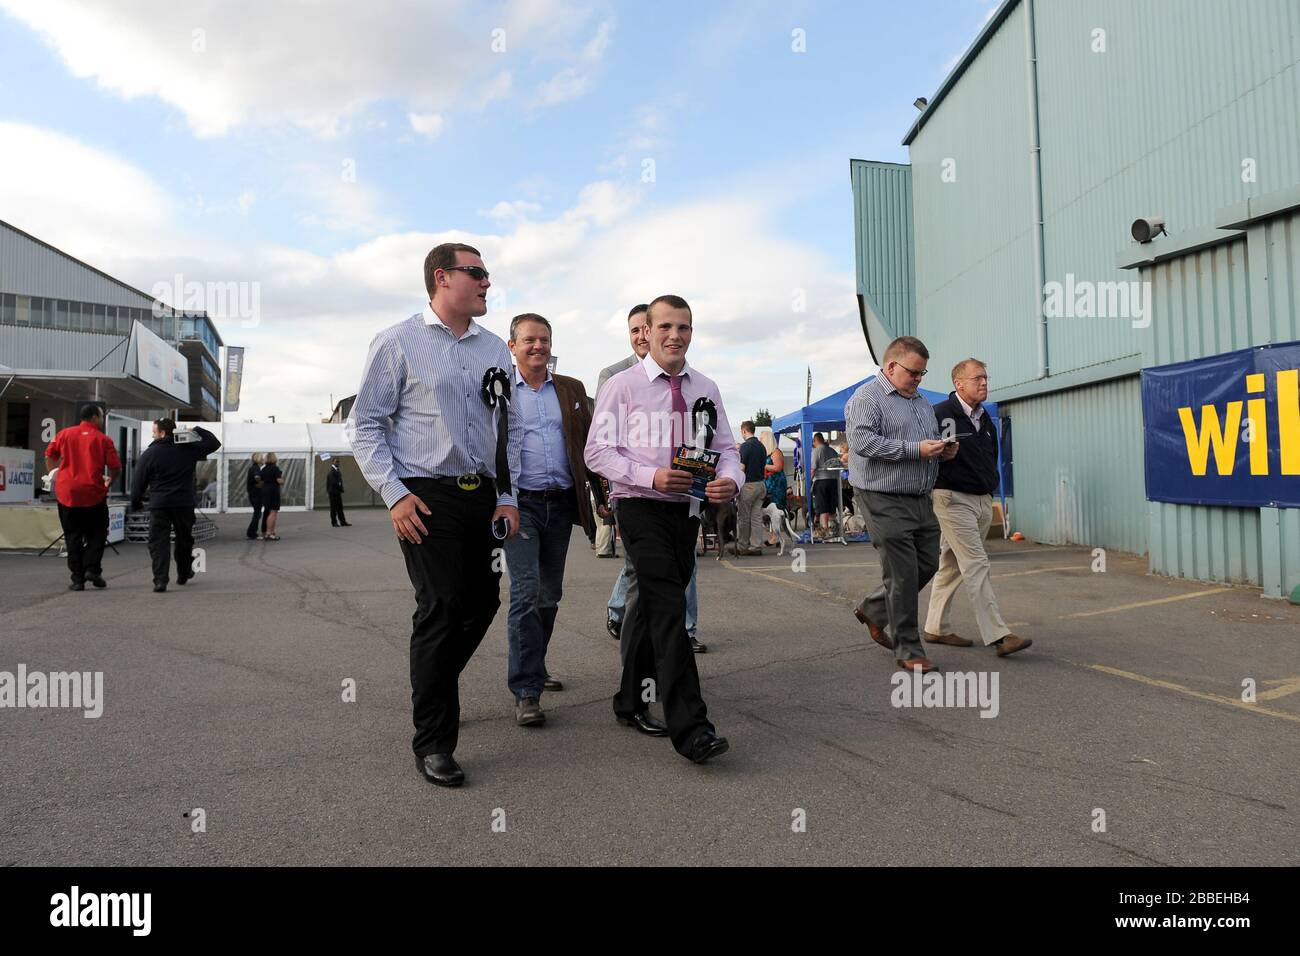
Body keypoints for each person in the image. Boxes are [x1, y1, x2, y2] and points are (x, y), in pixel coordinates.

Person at [347, 241, 520, 789]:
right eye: (478, 273)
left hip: (480, 495)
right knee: (442, 606)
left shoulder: (495, 348)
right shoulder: (397, 341)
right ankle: (435, 741)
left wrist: (507, 495)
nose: (488, 282)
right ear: (442, 278)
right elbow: (365, 423)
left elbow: (504, 429)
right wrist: (394, 494)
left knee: (484, 602)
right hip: (425, 495)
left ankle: (434, 682)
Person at [585, 294, 741, 764]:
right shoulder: (623, 386)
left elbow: (727, 447)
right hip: (639, 506)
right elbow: (597, 452)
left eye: (685, 327)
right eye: (666, 327)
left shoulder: (706, 388)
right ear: (646, 333)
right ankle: (692, 729)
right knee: (670, 612)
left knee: (652, 607)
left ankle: (629, 700)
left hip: (685, 512)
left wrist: (730, 480)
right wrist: (647, 475)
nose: (676, 335)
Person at [502, 313, 604, 727]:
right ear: (512, 346)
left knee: (549, 595)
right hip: (518, 504)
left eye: (544, 340)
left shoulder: (571, 389)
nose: (538, 346)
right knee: (525, 594)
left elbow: (590, 444)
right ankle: (527, 690)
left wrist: (602, 494)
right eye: (529, 340)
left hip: (560, 504)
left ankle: (536, 665)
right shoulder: (500, 390)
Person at [844, 336, 956, 673]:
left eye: (922, 373)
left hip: (920, 497)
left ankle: (873, 609)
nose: (919, 379)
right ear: (891, 366)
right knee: (904, 573)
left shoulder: (920, 401)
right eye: (913, 373)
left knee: (927, 564)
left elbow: (923, 444)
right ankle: (908, 649)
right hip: (881, 497)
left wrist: (943, 451)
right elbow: (863, 443)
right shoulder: (866, 398)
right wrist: (916, 450)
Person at [598, 304, 704, 653]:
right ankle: (663, 655)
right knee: (644, 579)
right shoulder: (616, 380)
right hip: (638, 500)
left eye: (646, 328)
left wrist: (720, 478)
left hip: (685, 502)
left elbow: (709, 441)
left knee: (671, 576)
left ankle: (653, 666)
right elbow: (602, 447)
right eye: (636, 331)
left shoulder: (696, 383)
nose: (644, 336)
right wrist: (646, 478)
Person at [924, 358, 1032, 657]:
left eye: (986, 378)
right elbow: (925, 452)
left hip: (982, 499)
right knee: (976, 563)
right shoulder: (939, 414)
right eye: (977, 379)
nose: (984, 383)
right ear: (959, 384)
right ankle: (999, 635)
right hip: (951, 497)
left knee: (951, 564)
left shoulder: (985, 418)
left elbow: (990, 456)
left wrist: (991, 492)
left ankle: (935, 627)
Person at [130, 418, 221, 593]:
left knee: (158, 543)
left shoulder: (150, 453)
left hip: (159, 504)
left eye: (154, 431)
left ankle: (160, 580)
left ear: (162, 433)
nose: (152, 434)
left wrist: (136, 502)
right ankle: (184, 572)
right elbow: (214, 443)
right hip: (184, 503)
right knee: (184, 540)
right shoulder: (188, 449)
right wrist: (197, 429)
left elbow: (138, 481)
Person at [43, 403, 121, 591]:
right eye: (101, 417)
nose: (102, 420)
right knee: (98, 532)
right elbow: (115, 467)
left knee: (73, 535)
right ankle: (92, 568)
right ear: (95, 417)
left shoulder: (63, 434)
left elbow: (49, 454)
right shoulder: (103, 439)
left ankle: (77, 578)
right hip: (93, 493)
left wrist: (54, 475)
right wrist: (109, 482)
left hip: (67, 493)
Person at [734, 420, 767, 556]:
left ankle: (742, 546)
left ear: (744, 431)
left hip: (748, 485)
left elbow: (742, 468)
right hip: (761, 484)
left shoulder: (745, 447)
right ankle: (756, 545)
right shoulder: (761, 446)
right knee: (756, 517)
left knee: (744, 517)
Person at [760, 428, 787, 546]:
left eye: (761, 439)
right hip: (769, 484)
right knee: (770, 511)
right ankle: (774, 536)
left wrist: (763, 465)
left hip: (777, 485)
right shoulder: (767, 453)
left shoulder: (776, 452)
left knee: (776, 509)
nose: (760, 441)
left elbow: (778, 467)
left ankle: (776, 537)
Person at [810, 432, 837, 538]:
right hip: (834, 480)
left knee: (822, 507)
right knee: (832, 507)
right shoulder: (832, 450)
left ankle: (824, 530)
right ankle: (833, 529)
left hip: (821, 481)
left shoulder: (817, 450)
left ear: (815, 441)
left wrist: (809, 481)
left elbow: (813, 468)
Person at [260, 453, 284, 540]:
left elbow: (260, 480)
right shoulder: (275, 469)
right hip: (273, 491)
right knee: (273, 513)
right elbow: (279, 481)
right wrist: (282, 480)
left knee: (269, 512)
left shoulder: (264, 469)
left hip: (265, 491)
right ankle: (269, 533)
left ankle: (270, 531)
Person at [326, 460, 350, 527]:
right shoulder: (331, 471)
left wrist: (340, 488)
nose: (337, 463)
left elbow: (339, 480)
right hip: (333, 492)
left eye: (338, 462)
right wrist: (339, 486)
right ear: (332, 462)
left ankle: (343, 521)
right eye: (336, 462)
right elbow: (333, 482)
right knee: (333, 508)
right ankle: (334, 522)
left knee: (340, 508)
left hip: (337, 492)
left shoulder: (337, 470)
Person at [246, 454, 264, 539]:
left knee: (257, 513)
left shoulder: (252, 468)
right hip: (256, 494)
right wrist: (261, 482)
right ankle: (252, 533)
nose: (263, 459)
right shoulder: (256, 468)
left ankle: (251, 532)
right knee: (257, 514)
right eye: (262, 458)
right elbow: (257, 476)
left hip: (252, 493)